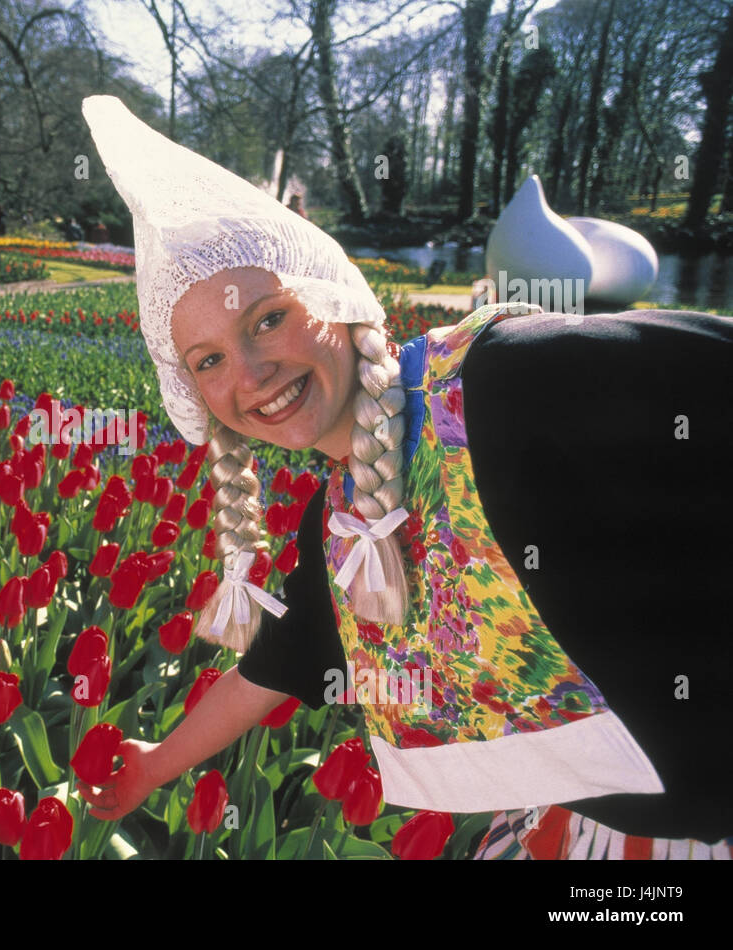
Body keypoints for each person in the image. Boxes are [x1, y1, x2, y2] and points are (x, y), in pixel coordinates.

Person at [76, 94, 733, 859]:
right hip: (597, 831)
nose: (251, 373)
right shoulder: (344, 520)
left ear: (334, 297)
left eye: (266, 318)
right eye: (209, 360)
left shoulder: (503, 378)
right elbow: (280, 663)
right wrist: (154, 767)